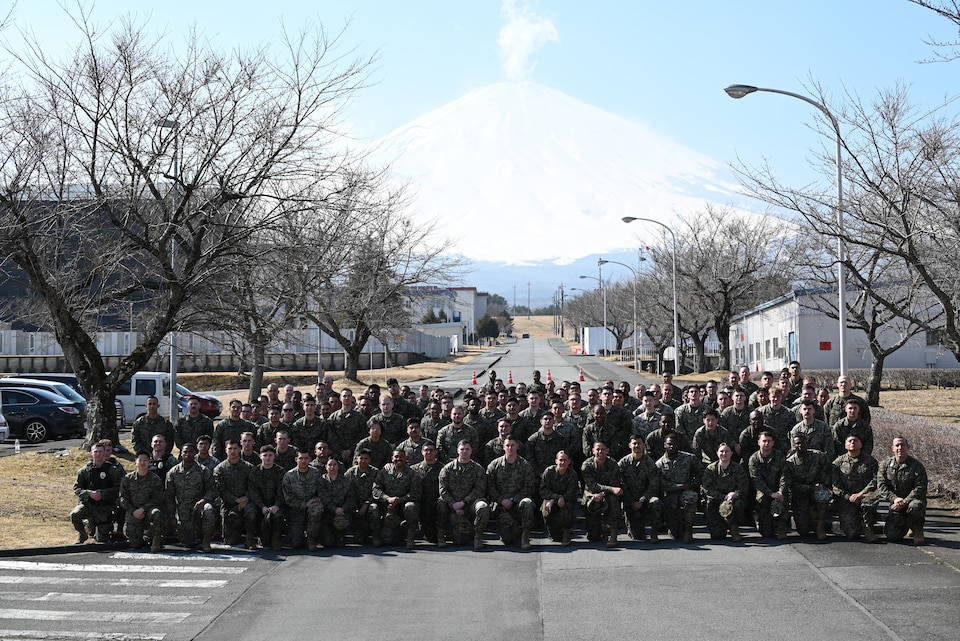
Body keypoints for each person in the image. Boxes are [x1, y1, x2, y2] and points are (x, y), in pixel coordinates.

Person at [486, 434, 538, 550]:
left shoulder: (525, 465)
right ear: (503, 447)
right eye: (507, 445)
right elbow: (490, 487)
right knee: (508, 540)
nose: (510, 448)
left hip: (518, 502)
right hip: (501, 505)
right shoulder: (494, 465)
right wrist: (501, 500)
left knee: (528, 503)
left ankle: (525, 536)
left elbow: (529, 487)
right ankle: (513, 528)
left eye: (512, 445)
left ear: (517, 446)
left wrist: (513, 499)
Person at [165, 441, 217, 552]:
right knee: (188, 542)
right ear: (181, 453)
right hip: (182, 510)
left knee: (209, 510)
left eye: (191, 452)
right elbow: (169, 496)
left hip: (198, 507)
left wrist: (204, 500)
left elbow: (212, 490)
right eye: (185, 452)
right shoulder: (173, 473)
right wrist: (171, 515)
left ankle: (206, 541)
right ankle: (193, 536)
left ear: (195, 453)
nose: (188, 454)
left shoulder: (203, 471)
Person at [438, 439, 489, 549]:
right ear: (457, 451)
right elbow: (443, 490)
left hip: (470, 504)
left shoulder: (478, 469)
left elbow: (479, 490)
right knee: (441, 503)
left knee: (483, 507)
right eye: (462, 449)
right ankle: (441, 535)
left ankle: (478, 538)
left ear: (471, 451)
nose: (464, 451)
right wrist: (453, 504)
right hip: (452, 504)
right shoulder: (447, 469)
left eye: (467, 449)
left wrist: (464, 502)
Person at [877, 436, 927, 545]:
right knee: (892, 536)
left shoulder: (917, 466)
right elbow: (881, 486)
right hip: (896, 504)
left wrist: (905, 501)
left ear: (908, 447)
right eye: (897, 445)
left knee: (916, 506)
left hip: (911, 501)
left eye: (902, 445)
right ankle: (907, 524)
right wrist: (894, 499)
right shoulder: (885, 465)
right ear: (892, 448)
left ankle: (917, 530)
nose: (900, 448)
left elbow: (920, 487)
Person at [70, 442, 124, 544]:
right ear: (91, 453)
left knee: (102, 540)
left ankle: (103, 528)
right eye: (95, 452)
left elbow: (119, 488)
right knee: (74, 515)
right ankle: (82, 533)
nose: (98, 454)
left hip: (105, 507)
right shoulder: (84, 471)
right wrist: (89, 493)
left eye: (100, 452)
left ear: (104, 454)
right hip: (88, 504)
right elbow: (77, 488)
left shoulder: (112, 470)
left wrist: (102, 494)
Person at [831, 434, 879, 542]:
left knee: (870, 501)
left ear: (861, 444)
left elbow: (876, 480)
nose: (853, 442)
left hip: (865, 496)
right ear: (845, 445)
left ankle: (868, 529)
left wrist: (861, 494)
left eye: (856, 440)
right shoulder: (838, 462)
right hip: (847, 499)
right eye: (850, 441)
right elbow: (836, 485)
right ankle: (857, 523)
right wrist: (848, 497)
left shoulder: (871, 461)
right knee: (851, 534)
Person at [784, 434, 832, 540]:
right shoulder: (790, 463)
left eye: (802, 443)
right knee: (803, 531)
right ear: (793, 445)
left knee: (823, 496)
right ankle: (809, 514)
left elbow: (829, 471)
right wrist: (809, 488)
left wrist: (824, 484)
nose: (800, 446)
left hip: (818, 491)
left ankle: (820, 526)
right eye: (797, 444)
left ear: (807, 443)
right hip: (801, 495)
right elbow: (791, 484)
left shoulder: (819, 456)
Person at [656, 433, 701, 543]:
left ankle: (688, 530)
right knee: (675, 534)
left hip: (686, 492)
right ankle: (675, 526)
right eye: (669, 444)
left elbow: (701, 471)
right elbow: (659, 482)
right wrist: (677, 486)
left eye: (674, 444)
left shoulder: (689, 458)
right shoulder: (659, 464)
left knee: (691, 498)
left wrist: (693, 484)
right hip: (670, 495)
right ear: (664, 445)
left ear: (678, 445)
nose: (672, 447)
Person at [372, 448, 422, 549]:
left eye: (401, 457)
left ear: (406, 458)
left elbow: (416, 493)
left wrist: (399, 500)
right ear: (392, 458)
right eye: (396, 457)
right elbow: (376, 490)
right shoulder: (384, 472)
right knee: (389, 541)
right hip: (388, 508)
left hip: (404, 507)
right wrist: (388, 498)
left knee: (411, 506)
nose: (398, 459)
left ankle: (410, 536)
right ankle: (379, 534)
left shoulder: (413, 474)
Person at [213, 440, 258, 549]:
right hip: (228, 504)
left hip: (247, 502)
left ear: (239, 449)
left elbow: (253, 487)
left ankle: (250, 539)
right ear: (226, 450)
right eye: (230, 449)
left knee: (251, 511)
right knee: (231, 541)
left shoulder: (248, 467)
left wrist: (246, 498)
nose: (233, 451)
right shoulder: (220, 469)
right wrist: (236, 500)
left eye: (235, 448)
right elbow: (221, 490)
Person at [120, 451, 167, 552]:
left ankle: (155, 539)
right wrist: (133, 511)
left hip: (148, 510)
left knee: (156, 513)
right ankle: (144, 535)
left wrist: (143, 509)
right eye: (140, 460)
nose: (142, 462)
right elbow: (123, 498)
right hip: (134, 512)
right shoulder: (127, 479)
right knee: (134, 543)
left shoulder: (155, 479)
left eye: (145, 460)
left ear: (150, 462)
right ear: (135, 462)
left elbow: (157, 498)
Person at [701, 442, 748, 541]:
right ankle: (723, 526)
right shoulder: (710, 469)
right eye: (721, 451)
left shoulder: (738, 468)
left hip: (733, 501)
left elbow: (743, 486)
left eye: (727, 451)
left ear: (731, 453)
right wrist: (723, 497)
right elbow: (707, 488)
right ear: (717, 453)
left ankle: (734, 527)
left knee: (738, 504)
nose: (724, 453)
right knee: (717, 536)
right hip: (715, 502)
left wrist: (735, 494)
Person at [618, 435, 661, 542]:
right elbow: (620, 483)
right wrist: (632, 501)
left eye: (639, 443)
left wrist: (642, 500)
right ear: (629, 445)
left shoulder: (650, 463)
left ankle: (654, 533)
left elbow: (653, 485)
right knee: (636, 536)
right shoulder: (623, 463)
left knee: (656, 503)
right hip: (629, 500)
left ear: (644, 445)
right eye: (634, 443)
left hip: (645, 499)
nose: (637, 446)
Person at [581, 440, 624, 548]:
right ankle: (600, 527)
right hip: (592, 494)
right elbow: (593, 486)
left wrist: (603, 493)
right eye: (597, 449)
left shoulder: (613, 464)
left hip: (608, 494)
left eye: (603, 449)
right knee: (593, 537)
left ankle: (613, 534)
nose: (600, 452)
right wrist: (605, 490)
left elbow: (615, 483)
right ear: (593, 451)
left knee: (615, 500)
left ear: (607, 451)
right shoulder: (586, 465)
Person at [748, 431, 789, 539]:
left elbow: (784, 476)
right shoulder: (754, 459)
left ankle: (781, 526)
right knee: (766, 533)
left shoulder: (779, 456)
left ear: (773, 443)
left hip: (778, 491)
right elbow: (756, 480)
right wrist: (770, 494)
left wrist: (780, 491)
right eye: (764, 441)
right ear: (759, 442)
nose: (766, 443)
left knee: (783, 498)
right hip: (764, 492)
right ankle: (760, 518)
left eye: (769, 441)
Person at [283, 450, 325, 550]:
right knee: (295, 543)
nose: (303, 461)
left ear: (310, 459)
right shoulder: (289, 476)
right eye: (301, 458)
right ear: (296, 459)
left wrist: (317, 499)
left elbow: (322, 490)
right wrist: (304, 504)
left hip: (312, 508)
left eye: (306, 458)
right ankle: (301, 536)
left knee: (317, 508)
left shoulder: (316, 473)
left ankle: (311, 538)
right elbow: (288, 498)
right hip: (296, 510)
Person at [248, 444, 287, 550]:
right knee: (250, 511)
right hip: (259, 504)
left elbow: (282, 491)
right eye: (265, 455)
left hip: (275, 503)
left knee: (278, 515)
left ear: (274, 457)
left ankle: (276, 538)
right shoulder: (255, 471)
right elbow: (252, 491)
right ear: (260, 456)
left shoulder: (280, 471)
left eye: (270, 455)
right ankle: (251, 538)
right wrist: (262, 506)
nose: (268, 458)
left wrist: (277, 505)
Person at [540, 450, 579, 546]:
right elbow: (543, 490)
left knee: (567, 507)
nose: (563, 462)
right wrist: (555, 498)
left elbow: (572, 493)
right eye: (560, 460)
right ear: (556, 461)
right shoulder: (549, 472)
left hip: (567, 500)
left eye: (565, 460)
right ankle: (553, 532)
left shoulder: (572, 474)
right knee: (546, 509)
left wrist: (561, 499)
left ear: (569, 461)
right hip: (552, 499)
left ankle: (566, 533)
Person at [345, 450, 381, 546]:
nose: (363, 461)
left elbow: (377, 491)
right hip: (354, 506)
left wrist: (366, 504)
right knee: (359, 540)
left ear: (370, 460)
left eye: (366, 459)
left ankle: (375, 535)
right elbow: (347, 492)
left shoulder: (375, 472)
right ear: (357, 459)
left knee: (374, 509)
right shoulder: (350, 473)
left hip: (369, 504)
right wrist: (355, 508)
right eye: (361, 458)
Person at [412, 441, 443, 544]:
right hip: (421, 504)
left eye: (431, 450)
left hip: (437, 503)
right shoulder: (414, 469)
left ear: (436, 452)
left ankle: (442, 530)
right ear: (422, 452)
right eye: (426, 450)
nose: (429, 452)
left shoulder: (443, 469)